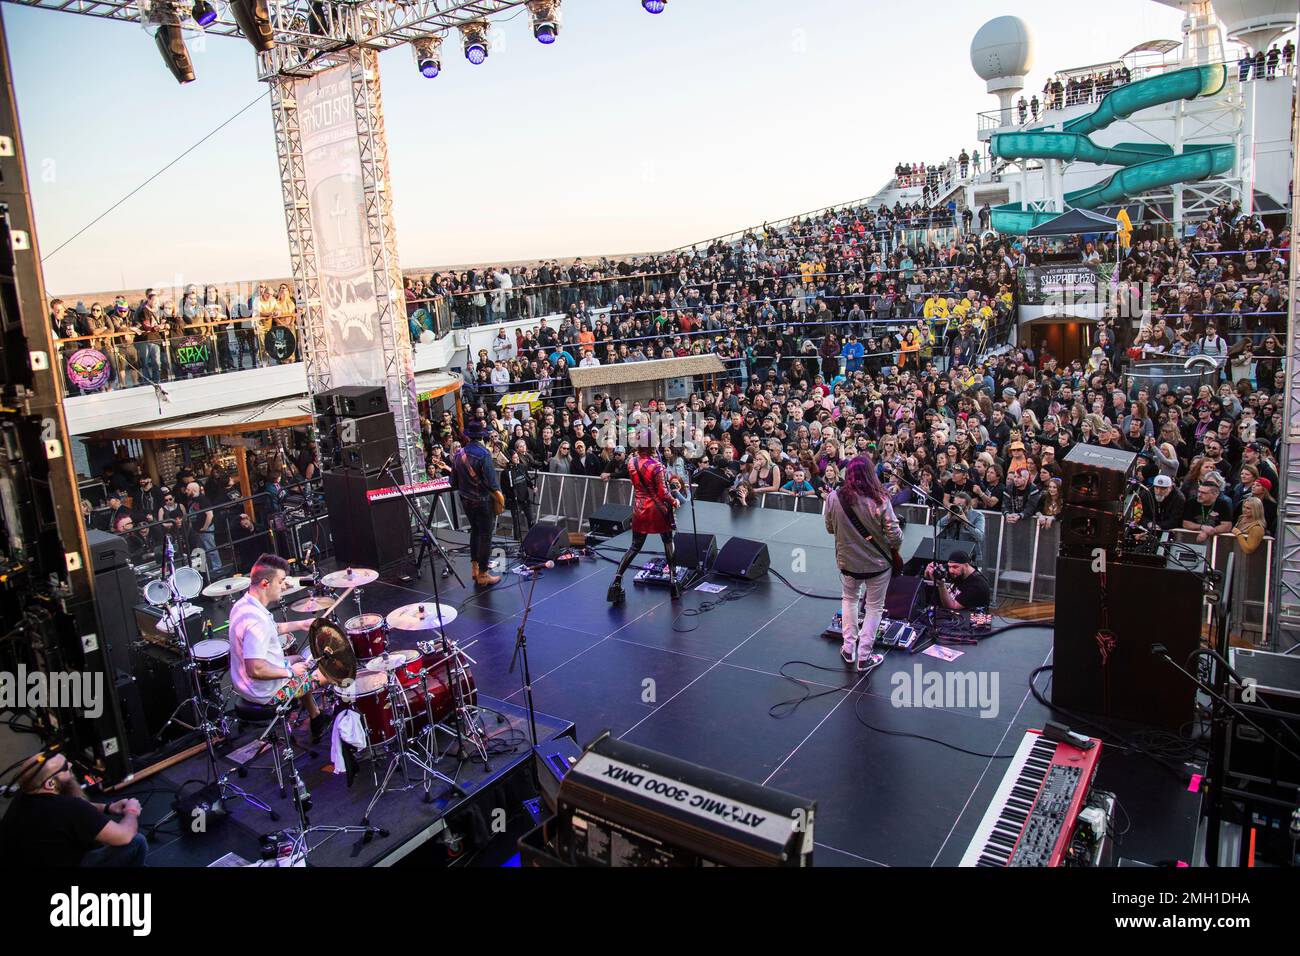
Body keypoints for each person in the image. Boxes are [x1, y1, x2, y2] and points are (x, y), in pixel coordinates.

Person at [228, 553, 328, 741]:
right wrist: (290, 672)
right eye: (280, 581)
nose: (284, 586)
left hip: (245, 686)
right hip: (268, 693)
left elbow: (271, 629)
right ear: (265, 583)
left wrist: (301, 624)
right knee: (330, 670)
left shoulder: (243, 605)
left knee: (300, 660)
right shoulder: (256, 621)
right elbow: (255, 668)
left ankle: (316, 716)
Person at [0, 749, 146, 866]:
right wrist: (131, 811)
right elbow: (124, 836)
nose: (70, 765)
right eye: (64, 767)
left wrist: (107, 807)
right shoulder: (68, 808)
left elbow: (75, 809)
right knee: (136, 842)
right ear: (50, 784)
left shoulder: (25, 795)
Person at [824, 456, 902, 671]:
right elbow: (894, 535)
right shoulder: (879, 500)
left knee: (849, 600)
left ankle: (848, 649)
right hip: (877, 564)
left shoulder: (833, 497)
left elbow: (830, 528)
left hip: (847, 562)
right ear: (871, 474)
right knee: (874, 608)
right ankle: (864, 657)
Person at [608, 428, 682, 605]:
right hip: (658, 509)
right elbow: (664, 493)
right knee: (668, 541)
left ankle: (616, 581)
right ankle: (673, 582)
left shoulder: (631, 462)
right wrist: (675, 502)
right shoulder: (657, 466)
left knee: (634, 547)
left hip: (640, 508)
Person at [450, 419, 502, 587]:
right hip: (482, 502)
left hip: (466, 501)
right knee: (486, 536)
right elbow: (492, 484)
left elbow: (453, 483)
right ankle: (483, 574)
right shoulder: (484, 454)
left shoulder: (459, 454)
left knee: (475, 532)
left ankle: (474, 569)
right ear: (482, 436)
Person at [923, 549, 991, 610]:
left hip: (965, 618)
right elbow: (928, 576)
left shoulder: (977, 585)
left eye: (955, 567)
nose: (951, 570)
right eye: (949, 566)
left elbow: (952, 606)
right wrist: (929, 571)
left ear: (966, 565)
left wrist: (941, 585)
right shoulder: (956, 570)